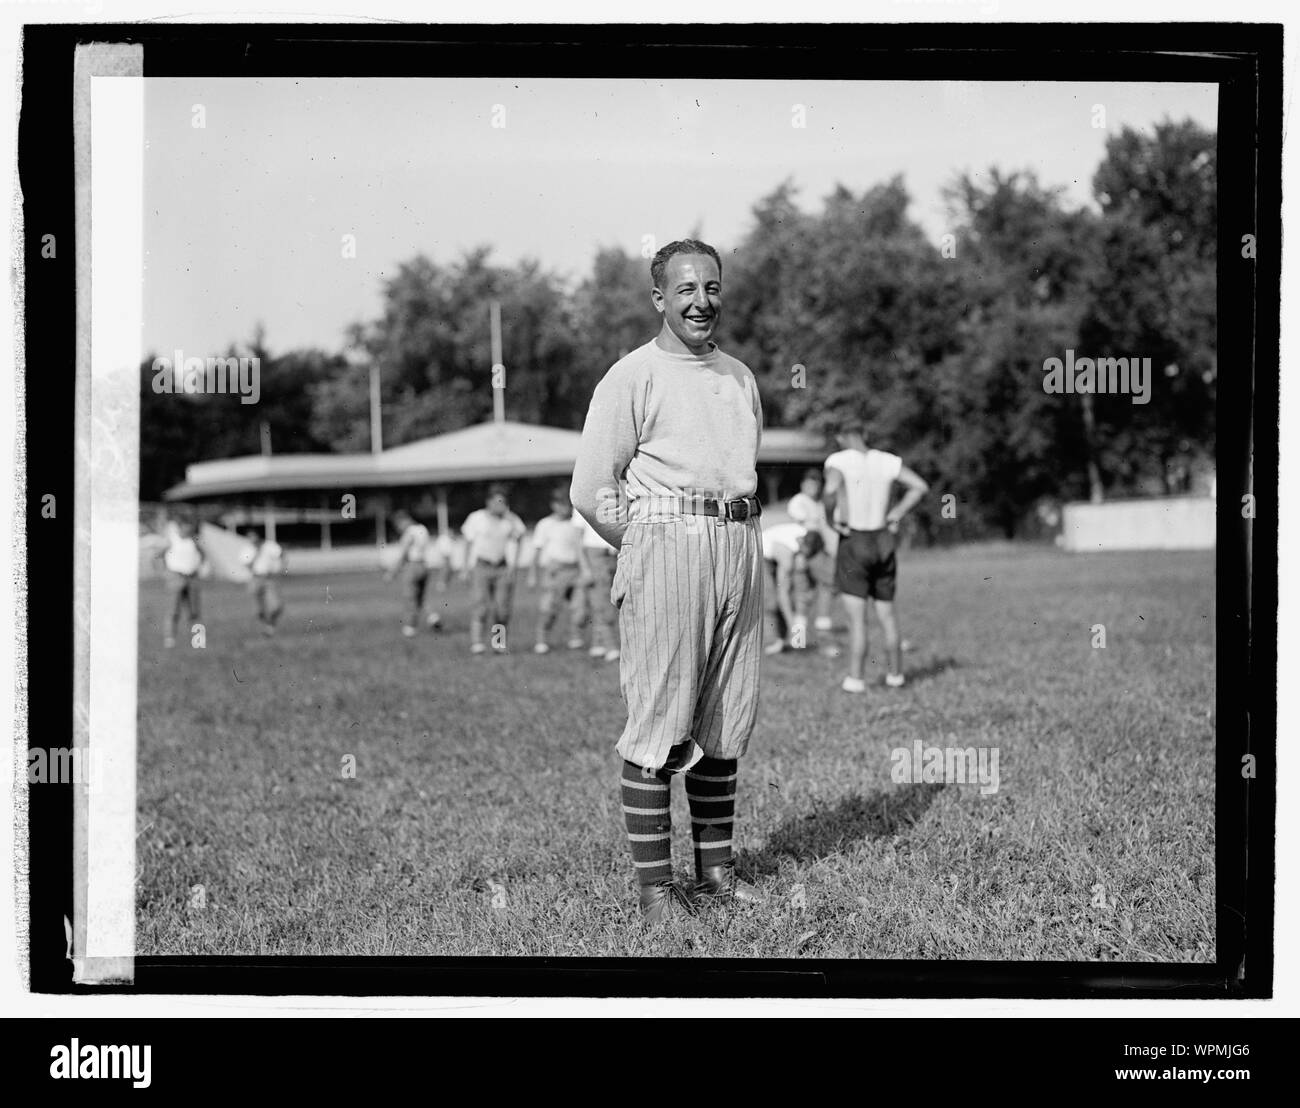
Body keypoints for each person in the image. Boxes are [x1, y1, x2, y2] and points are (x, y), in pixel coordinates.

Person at [571, 238, 766, 924]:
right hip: (666, 540)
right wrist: (644, 548)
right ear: (660, 298)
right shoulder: (632, 375)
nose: (701, 301)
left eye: (711, 287)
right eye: (685, 289)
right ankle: (657, 891)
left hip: (739, 540)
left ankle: (716, 876)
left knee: (725, 716)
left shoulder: (739, 376)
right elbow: (591, 488)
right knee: (660, 719)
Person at [822, 419, 929, 693]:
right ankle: (896, 676)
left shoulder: (838, 460)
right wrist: (897, 512)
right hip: (883, 539)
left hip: (854, 540)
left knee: (857, 619)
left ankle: (856, 680)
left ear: (841, 437)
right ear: (865, 433)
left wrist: (830, 519)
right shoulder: (887, 460)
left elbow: (830, 491)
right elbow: (920, 486)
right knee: (888, 615)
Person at [461, 484, 526, 655]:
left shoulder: (510, 520)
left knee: (502, 609)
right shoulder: (476, 518)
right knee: (480, 606)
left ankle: (498, 644)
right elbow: (467, 543)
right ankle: (477, 643)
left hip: (502, 568)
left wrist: (514, 565)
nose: (501, 505)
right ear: (488, 502)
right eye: (497, 501)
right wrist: (465, 568)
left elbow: (520, 537)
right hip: (481, 567)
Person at [528, 487, 591, 654]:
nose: (566, 508)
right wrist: (533, 574)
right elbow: (537, 551)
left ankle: (575, 638)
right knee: (550, 609)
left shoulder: (577, 523)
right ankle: (542, 640)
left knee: (580, 608)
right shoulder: (545, 524)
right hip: (556, 571)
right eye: (562, 504)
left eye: (568, 505)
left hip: (575, 570)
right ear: (554, 505)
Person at [787, 467, 838, 635]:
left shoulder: (818, 503)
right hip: (803, 550)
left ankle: (820, 628)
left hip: (815, 551)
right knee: (807, 593)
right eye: (809, 485)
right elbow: (806, 525)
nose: (812, 489)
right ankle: (801, 638)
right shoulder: (798, 501)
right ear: (802, 485)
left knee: (824, 586)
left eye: (815, 485)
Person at [761, 522, 823, 655]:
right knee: (771, 600)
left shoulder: (806, 535)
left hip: (779, 549)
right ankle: (775, 641)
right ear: (802, 544)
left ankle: (792, 640)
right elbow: (783, 593)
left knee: (800, 591)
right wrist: (792, 624)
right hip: (764, 556)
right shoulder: (787, 555)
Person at [155, 514, 206, 648]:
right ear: (180, 527)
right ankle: (170, 638)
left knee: (194, 611)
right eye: (186, 526)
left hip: (191, 577)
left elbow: (203, 554)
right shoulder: (171, 540)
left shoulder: (193, 541)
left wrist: (199, 567)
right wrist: (164, 573)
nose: (188, 529)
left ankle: (198, 641)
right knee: (173, 610)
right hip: (175, 577)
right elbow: (157, 556)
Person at [577, 511, 620, 662]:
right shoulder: (584, 499)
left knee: (608, 600)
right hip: (595, 552)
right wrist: (585, 567)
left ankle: (598, 642)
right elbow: (578, 538)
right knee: (602, 601)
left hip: (615, 551)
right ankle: (611, 646)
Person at [384, 509, 431, 637]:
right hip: (424, 565)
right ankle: (432, 617)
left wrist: (392, 572)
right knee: (420, 598)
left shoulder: (409, 532)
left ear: (403, 520)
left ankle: (410, 627)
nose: (398, 528)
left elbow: (404, 553)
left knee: (410, 598)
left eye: (398, 525)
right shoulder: (423, 529)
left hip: (412, 566)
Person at [240, 528, 286, 636]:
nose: (252, 539)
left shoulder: (269, 546)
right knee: (258, 610)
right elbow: (248, 565)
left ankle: (270, 626)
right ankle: (268, 628)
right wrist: (256, 553)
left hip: (269, 578)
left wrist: (281, 568)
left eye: (254, 536)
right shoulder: (246, 549)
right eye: (250, 537)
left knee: (276, 606)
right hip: (255, 579)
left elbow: (282, 555)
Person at [421, 529, 457, 629]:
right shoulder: (445, 541)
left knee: (429, 599)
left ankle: (435, 619)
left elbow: (447, 563)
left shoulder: (444, 541)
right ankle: (433, 618)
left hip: (436, 574)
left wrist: (442, 580)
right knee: (427, 599)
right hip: (434, 574)